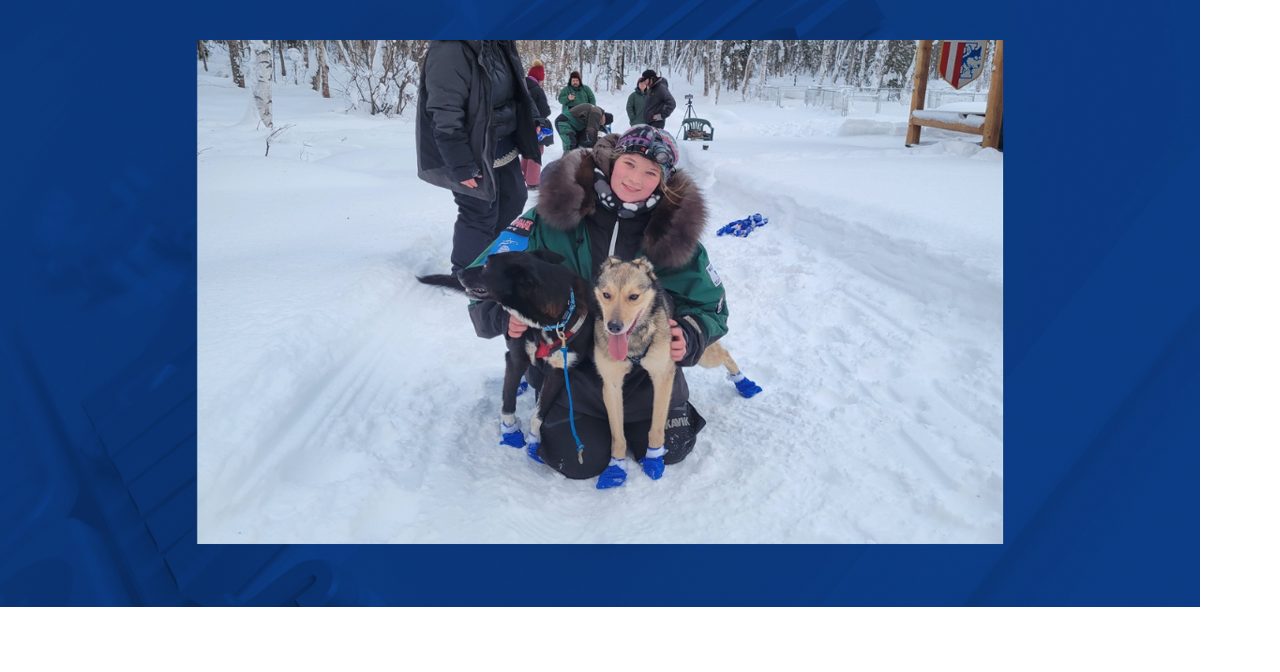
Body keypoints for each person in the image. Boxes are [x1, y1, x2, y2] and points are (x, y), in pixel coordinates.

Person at [466, 126, 727, 487]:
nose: (636, 179)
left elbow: (710, 303)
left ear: (664, 181)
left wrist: (693, 333)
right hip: (569, 369)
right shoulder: (553, 211)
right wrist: (503, 315)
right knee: (578, 460)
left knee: (671, 449)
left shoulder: (673, 233)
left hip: (642, 373)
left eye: (651, 172)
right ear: (611, 159)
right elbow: (486, 274)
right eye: (630, 164)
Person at [415, 40, 540, 276]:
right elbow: (444, 111)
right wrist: (460, 163)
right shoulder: (450, 47)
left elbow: (518, 87)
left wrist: (534, 118)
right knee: (479, 213)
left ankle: (494, 264)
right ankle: (468, 276)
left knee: (514, 198)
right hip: (471, 148)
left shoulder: (498, 40)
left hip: (503, 142)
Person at [521, 59, 552, 190]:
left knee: (526, 149)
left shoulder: (521, 86)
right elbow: (545, 110)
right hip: (535, 125)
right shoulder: (537, 90)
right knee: (536, 150)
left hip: (521, 124)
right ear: (539, 79)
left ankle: (523, 174)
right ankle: (533, 182)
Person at [555, 71, 597, 150]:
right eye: (573, 81)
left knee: (583, 140)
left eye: (576, 80)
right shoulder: (566, 89)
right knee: (571, 140)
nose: (575, 82)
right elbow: (560, 99)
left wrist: (592, 109)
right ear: (570, 81)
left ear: (580, 81)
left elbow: (592, 99)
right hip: (570, 118)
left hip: (583, 118)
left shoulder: (586, 89)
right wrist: (568, 98)